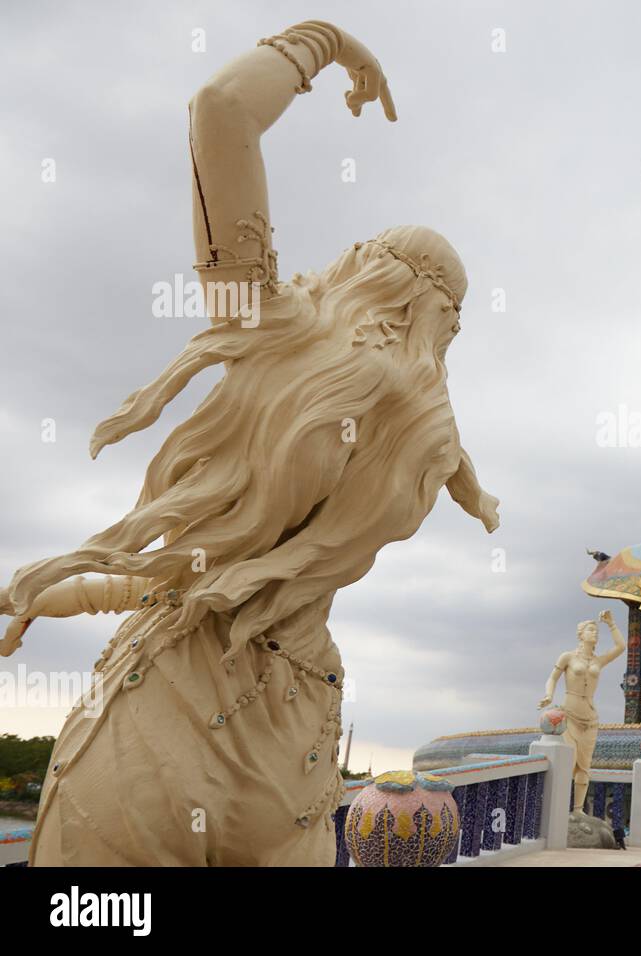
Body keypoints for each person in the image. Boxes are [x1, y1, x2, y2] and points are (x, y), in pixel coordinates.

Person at [0, 19, 498, 865]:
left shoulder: (277, 330)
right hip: (293, 742)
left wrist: (327, 42)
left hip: (156, 727)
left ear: (358, 271)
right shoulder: (426, 441)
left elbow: (220, 110)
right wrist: (477, 497)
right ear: (439, 331)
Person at [539, 610, 626, 812]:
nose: (594, 633)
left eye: (596, 631)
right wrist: (549, 695)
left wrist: (611, 624)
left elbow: (621, 647)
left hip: (590, 717)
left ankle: (578, 810)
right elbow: (553, 677)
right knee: (568, 764)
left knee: (584, 767)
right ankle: (559, 809)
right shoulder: (568, 657)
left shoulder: (598, 661)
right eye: (590, 630)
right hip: (569, 714)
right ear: (581, 634)